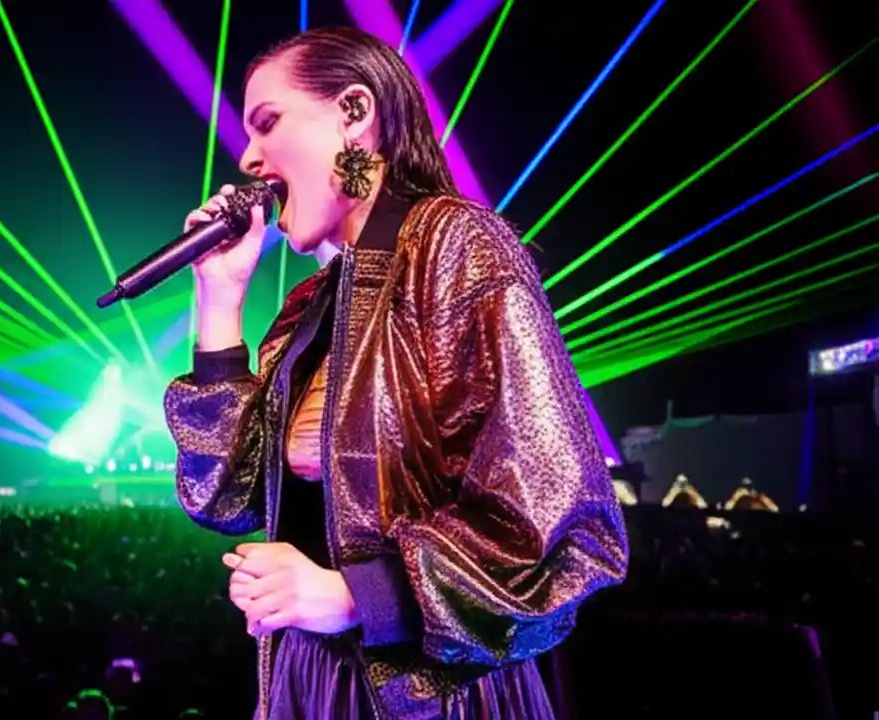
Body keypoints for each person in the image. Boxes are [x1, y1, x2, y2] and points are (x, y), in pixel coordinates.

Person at [163, 26, 629, 720]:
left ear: (354, 112)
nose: (248, 157)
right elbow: (224, 498)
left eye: (268, 122)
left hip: (432, 691)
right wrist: (219, 303)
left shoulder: (456, 244)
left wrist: (356, 596)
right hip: (309, 679)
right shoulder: (312, 306)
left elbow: (557, 523)